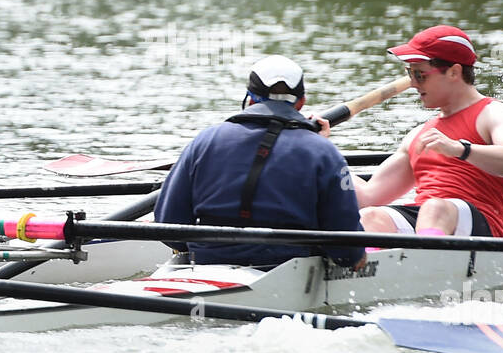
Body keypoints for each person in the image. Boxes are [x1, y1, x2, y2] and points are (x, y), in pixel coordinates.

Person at [154, 56, 365, 269]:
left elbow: (168, 224)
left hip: (208, 263)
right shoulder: (323, 151)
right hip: (287, 269)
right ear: (301, 102)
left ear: (250, 99)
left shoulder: (205, 140)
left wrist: (198, 246)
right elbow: (348, 251)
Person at [354, 26, 503, 237]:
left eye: (420, 75)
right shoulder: (420, 134)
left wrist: (460, 149)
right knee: (370, 217)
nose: (412, 84)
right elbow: (368, 196)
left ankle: (423, 260)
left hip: (483, 228)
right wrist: (321, 150)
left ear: (454, 72)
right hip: (429, 222)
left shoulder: (493, 113)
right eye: (410, 73)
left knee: (435, 208)